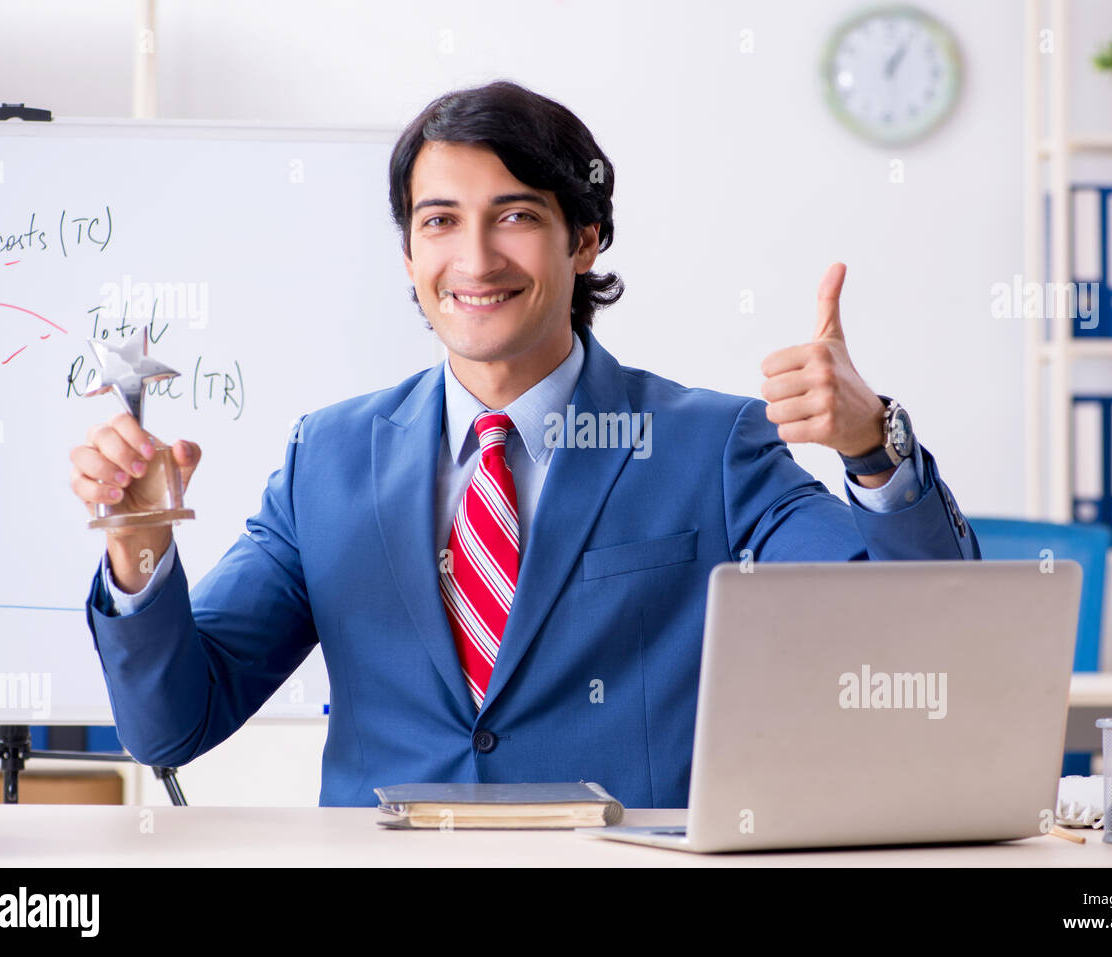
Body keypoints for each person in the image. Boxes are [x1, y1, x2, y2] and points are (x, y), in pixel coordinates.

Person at [72, 80, 980, 808]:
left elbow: (917, 639)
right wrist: (139, 546)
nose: (474, 260)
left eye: (513, 216)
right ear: (408, 256)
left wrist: (874, 446)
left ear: (583, 240)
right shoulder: (329, 457)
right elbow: (171, 727)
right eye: (439, 221)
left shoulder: (710, 444)